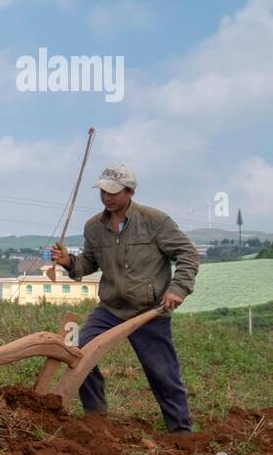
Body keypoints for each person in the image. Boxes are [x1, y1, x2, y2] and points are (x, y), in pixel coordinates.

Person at [49, 164, 199, 433]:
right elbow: (88, 263)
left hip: (149, 311)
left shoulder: (155, 221)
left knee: (161, 372)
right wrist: (68, 262)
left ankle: (181, 433)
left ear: (130, 191)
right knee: (80, 355)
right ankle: (95, 419)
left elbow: (188, 254)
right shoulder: (94, 227)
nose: (107, 197)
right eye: (103, 191)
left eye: (114, 192)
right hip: (110, 309)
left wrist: (178, 289)